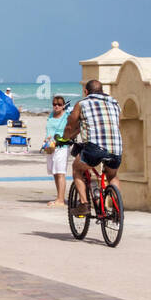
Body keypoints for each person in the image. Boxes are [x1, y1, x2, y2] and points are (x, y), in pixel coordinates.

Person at [63, 79, 123, 214]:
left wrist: (65, 137)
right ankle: (117, 209)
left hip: (95, 148)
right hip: (116, 148)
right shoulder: (115, 103)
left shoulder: (82, 103)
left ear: (85, 91)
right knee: (112, 176)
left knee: (76, 168)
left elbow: (70, 124)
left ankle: (84, 204)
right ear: (102, 91)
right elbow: (117, 124)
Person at [44, 95, 70, 207]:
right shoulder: (51, 115)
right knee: (54, 172)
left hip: (62, 147)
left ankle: (60, 200)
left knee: (60, 172)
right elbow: (49, 130)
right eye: (54, 104)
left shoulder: (67, 116)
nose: (56, 106)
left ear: (63, 105)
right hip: (51, 146)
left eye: (59, 104)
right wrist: (47, 139)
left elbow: (71, 129)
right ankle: (60, 197)